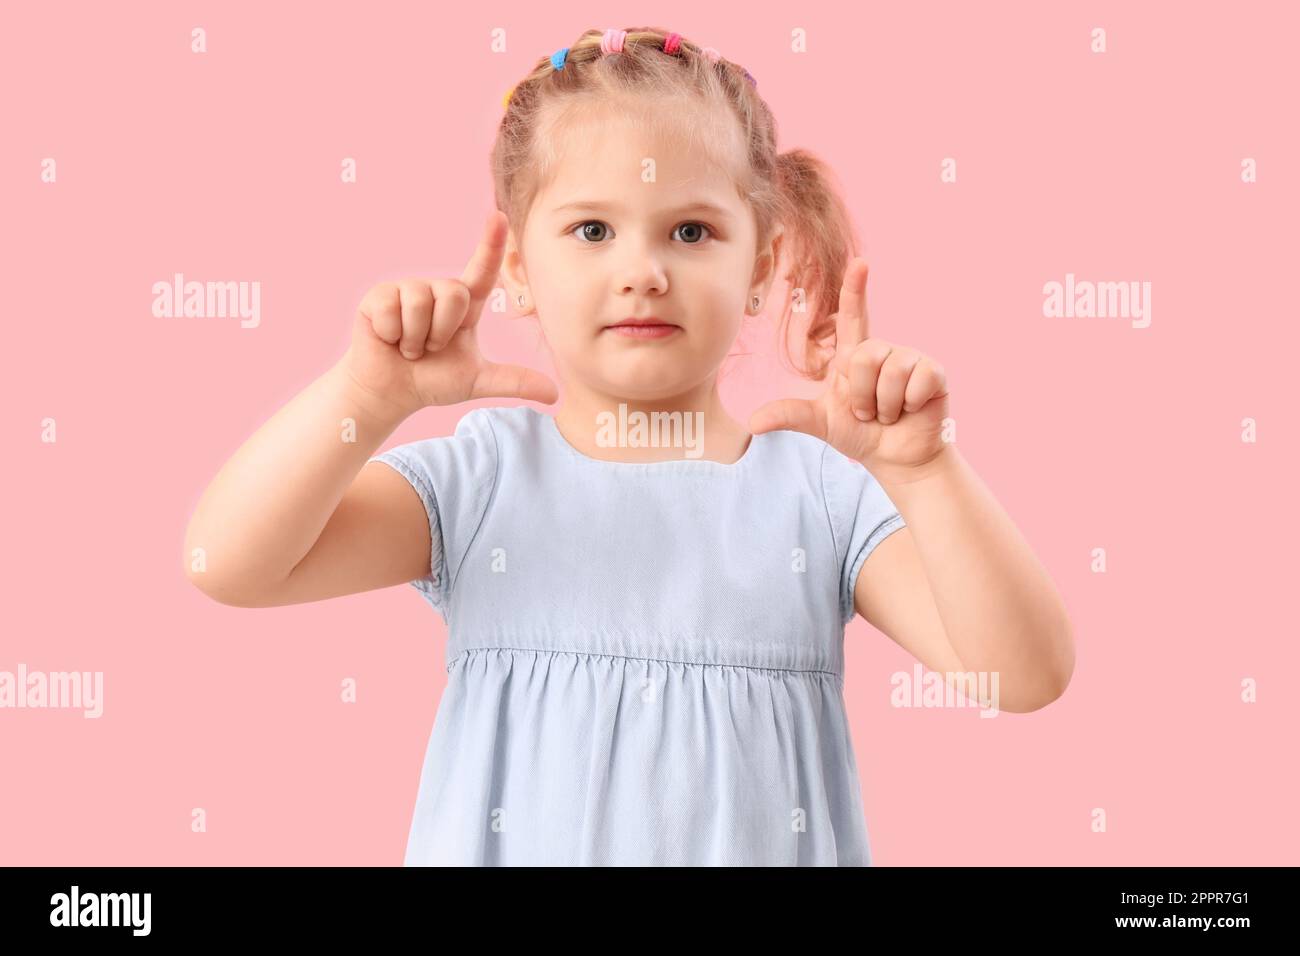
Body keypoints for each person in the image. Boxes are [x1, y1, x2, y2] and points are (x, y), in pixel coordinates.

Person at [184, 26, 1075, 866]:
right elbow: (230, 562)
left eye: (691, 232)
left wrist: (924, 475)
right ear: (522, 272)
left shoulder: (821, 499)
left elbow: (1024, 676)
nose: (642, 270)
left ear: (760, 266)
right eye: (592, 230)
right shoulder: (485, 480)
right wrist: (363, 398)